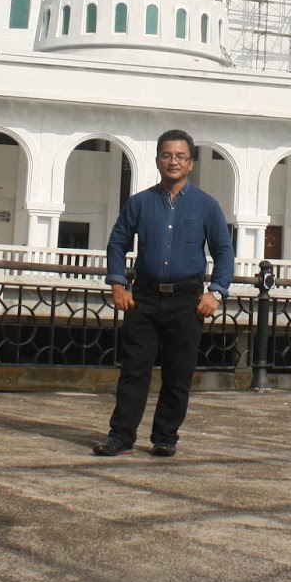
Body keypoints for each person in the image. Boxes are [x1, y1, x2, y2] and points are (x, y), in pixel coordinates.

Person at [92, 129, 234, 458]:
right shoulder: (140, 203)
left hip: (187, 301)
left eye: (180, 156)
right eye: (167, 155)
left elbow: (224, 253)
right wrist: (116, 283)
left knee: (178, 372)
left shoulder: (206, 207)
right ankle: (121, 435)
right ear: (158, 160)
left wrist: (216, 292)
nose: (173, 161)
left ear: (191, 163)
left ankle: (165, 436)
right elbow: (117, 242)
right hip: (143, 297)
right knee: (134, 370)